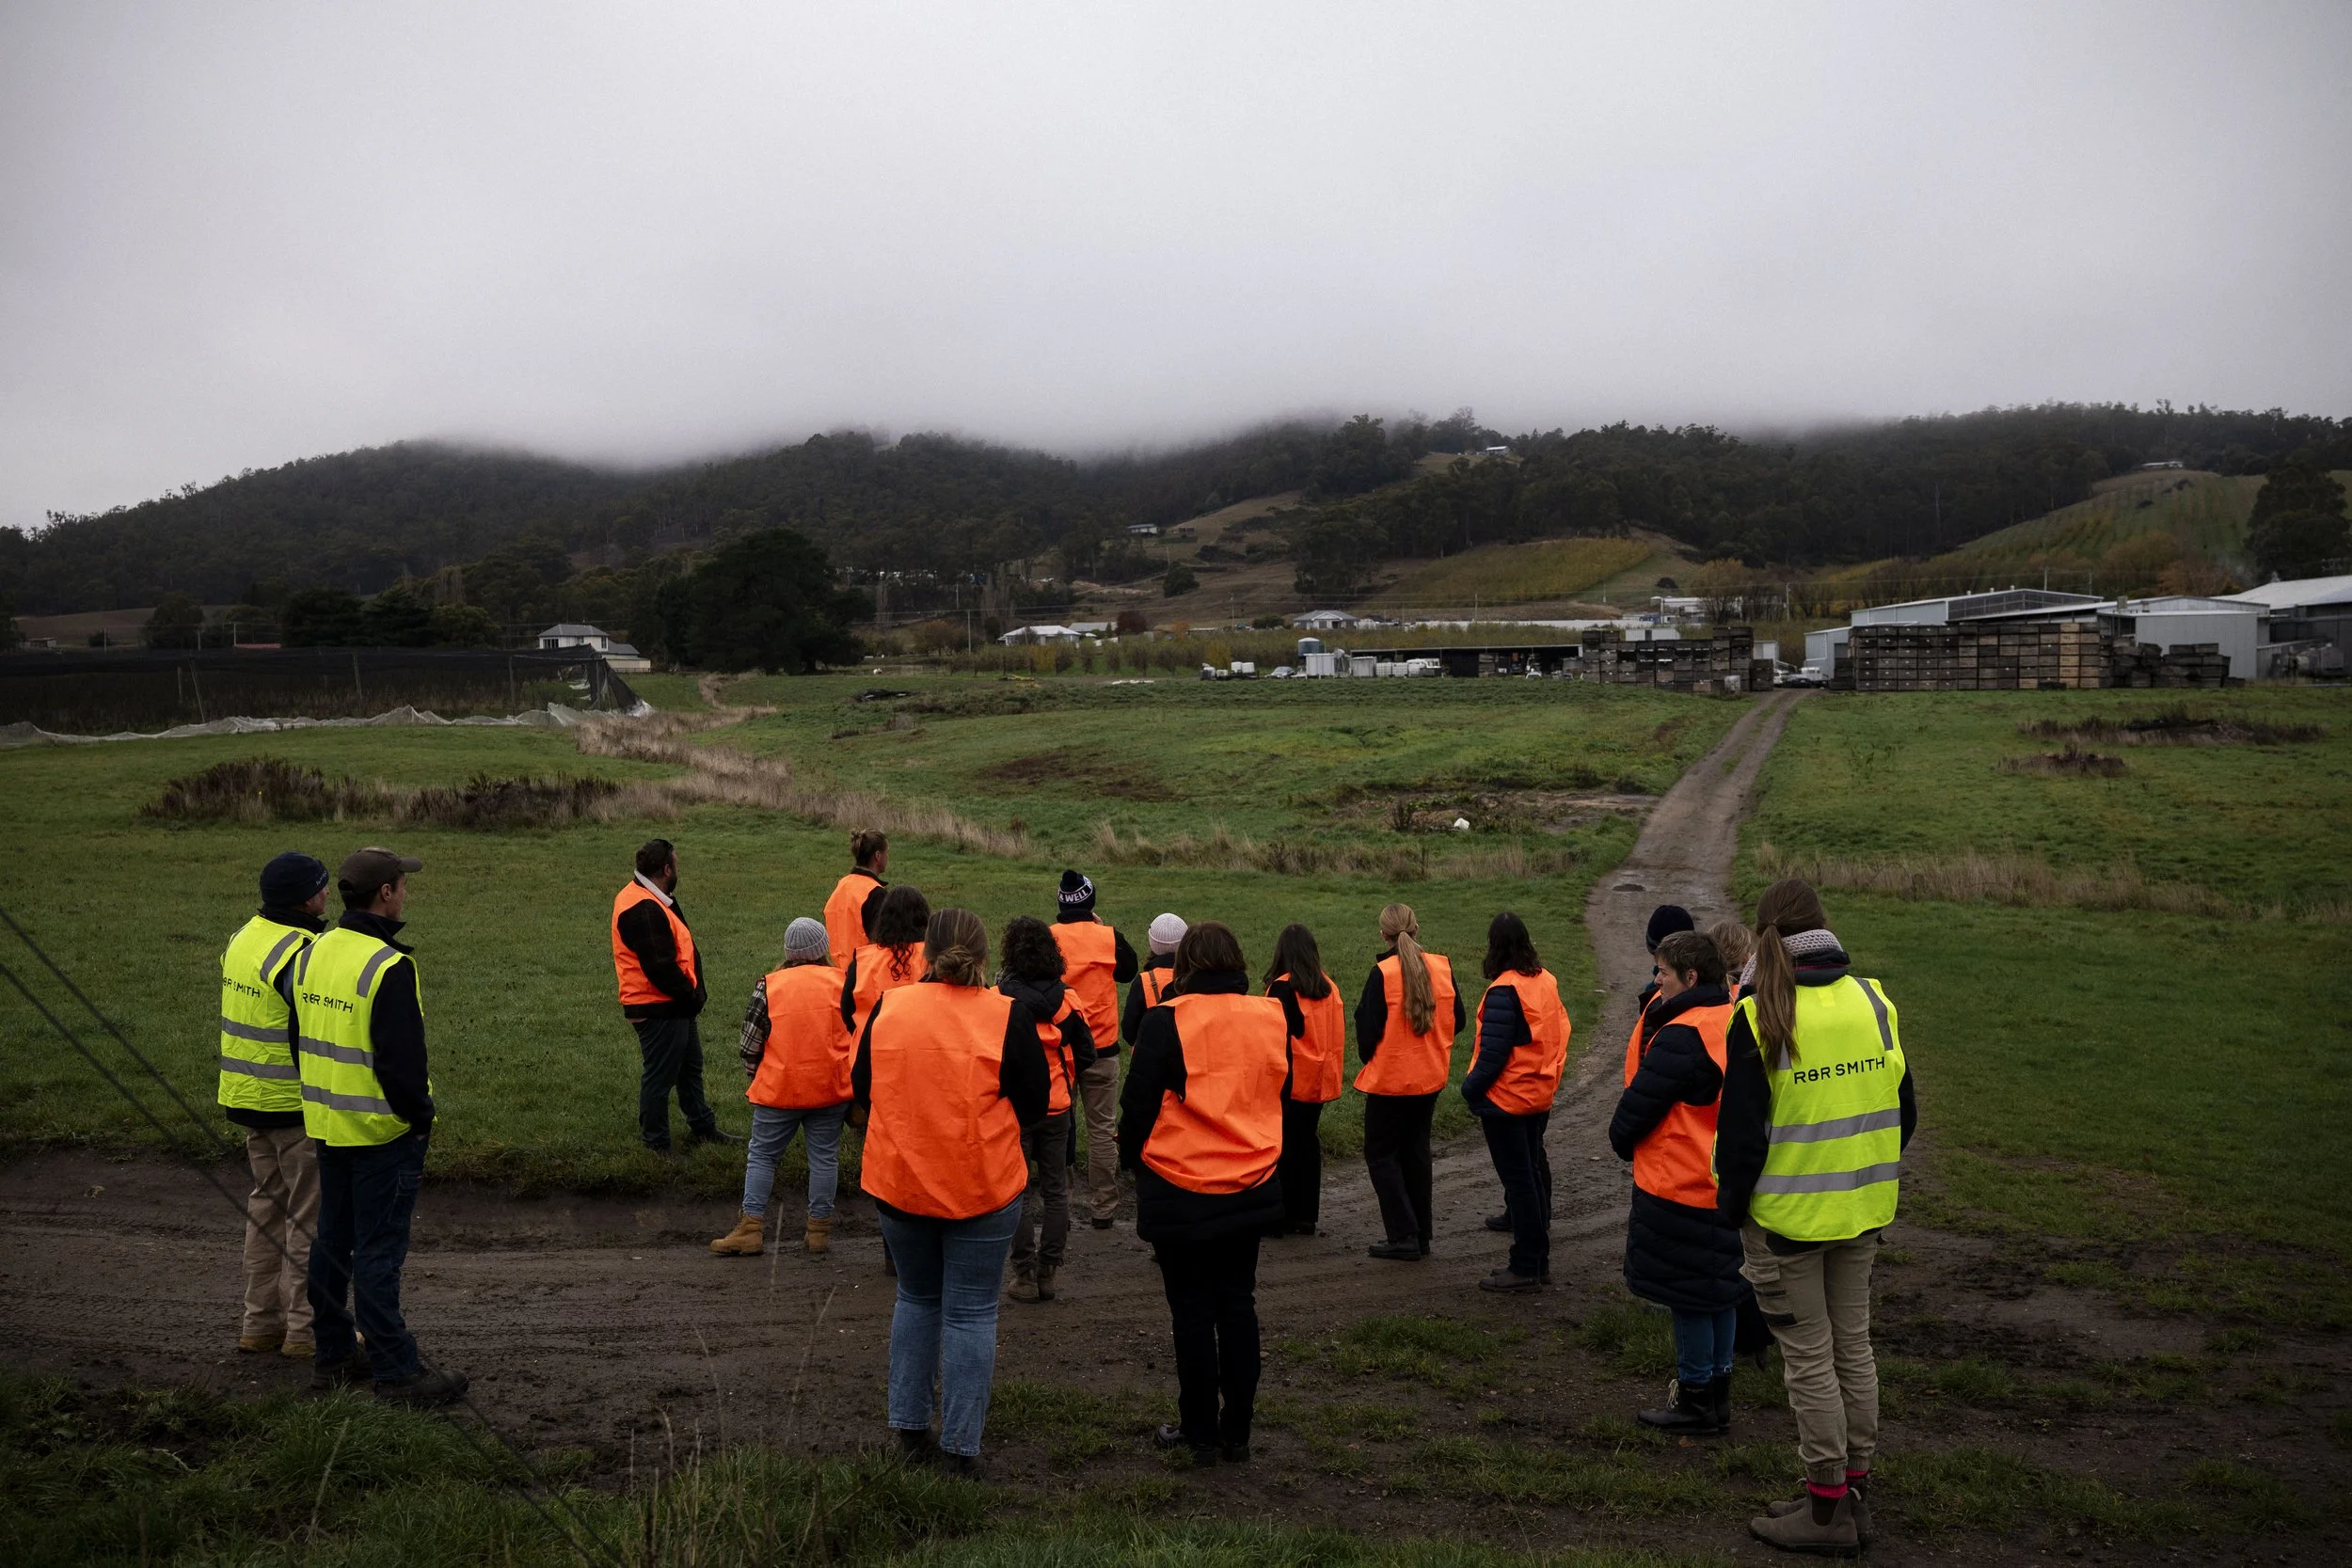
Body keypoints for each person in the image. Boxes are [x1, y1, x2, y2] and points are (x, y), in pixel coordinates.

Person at [1715, 880, 1917, 1555]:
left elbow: (1740, 1141)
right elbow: (1903, 1111)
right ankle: (1849, 1492)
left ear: (1765, 934)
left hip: (1787, 1223)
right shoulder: (1873, 1000)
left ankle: (1825, 1510)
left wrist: (1729, 1209)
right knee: (1852, 1347)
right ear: (1823, 929)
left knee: (1808, 1360)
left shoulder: (1757, 1016)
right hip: (1863, 1211)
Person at [853, 907, 1049, 1475]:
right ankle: (961, 1449)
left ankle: (910, 1434)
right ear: (986, 956)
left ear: (924, 953)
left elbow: (862, 1088)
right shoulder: (1006, 1016)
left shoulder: (890, 1007)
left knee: (917, 1299)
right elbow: (1035, 1105)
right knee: (970, 1313)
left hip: (901, 1183)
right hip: (981, 1185)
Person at [297, 847, 467, 1404]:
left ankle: (333, 1354)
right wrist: (420, 1120)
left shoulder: (314, 950)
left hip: (327, 1123)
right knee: (378, 1252)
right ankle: (396, 1370)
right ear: (386, 893)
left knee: (332, 1242)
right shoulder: (388, 966)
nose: (406, 892)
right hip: (380, 1134)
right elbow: (402, 1065)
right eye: (402, 884)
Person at [1118, 921, 1289, 1465]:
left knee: (1191, 1312)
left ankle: (1200, 1431)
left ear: (1185, 966)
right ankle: (1236, 1429)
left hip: (1180, 1181)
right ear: (1237, 962)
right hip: (1251, 1176)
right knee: (1238, 1304)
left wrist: (1132, 1163)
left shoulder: (1166, 1020)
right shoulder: (1269, 1016)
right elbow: (1273, 1088)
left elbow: (1138, 1105)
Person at [1610, 929, 1745, 1434]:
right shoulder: (1734, 1019)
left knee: (1690, 1298)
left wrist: (1623, 1142)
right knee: (1722, 1292)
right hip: (1724, 1181)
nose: (1656, 981)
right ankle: (1718, 1394)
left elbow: (1635, 1112)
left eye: (1662, 972)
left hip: (1679, 1185)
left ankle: (1694, 1399)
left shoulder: (1681, 1034)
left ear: (1690, 978)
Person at [218, 850, 330, 1360]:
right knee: (307, 1219)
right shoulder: (302, 951)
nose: (328, 894)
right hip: (294, 1105)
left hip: (246, 1098)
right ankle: (305, 1333)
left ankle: (259, 1324)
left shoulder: (244, 936)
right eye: (322, 887)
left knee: (265, 1209)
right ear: (307, 898)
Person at [713, 917, 855, 1259]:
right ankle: (818, 1232)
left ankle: (750, 1229)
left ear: (788, 952)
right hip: (830, 1089)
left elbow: (749, 1042)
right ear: (822, 950)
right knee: (824, 1159)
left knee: (762, 1155)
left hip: (780, 1090)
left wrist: (755, 1070)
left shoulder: (770, 985)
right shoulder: (843, 982)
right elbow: (857, 1031)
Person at [1460, 912, 1570, 1292]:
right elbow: (1562, 1031)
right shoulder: (1545, 980)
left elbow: (1492, 1055)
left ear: (1495, 945)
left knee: (1520, 1183)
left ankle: (1526, 1264)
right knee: (1532, 1177)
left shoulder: (1504, 990)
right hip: (1538, 1093)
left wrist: (1470, 1090)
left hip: (1506, 1100)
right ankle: (1536, 1261)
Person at [1353, 903, 1463, 1260]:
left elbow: (1367, 1031)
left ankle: (1403, 1234)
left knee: (1381, 1155)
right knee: (1416, 1154)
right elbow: (1457, 1019)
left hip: (1390, 1082)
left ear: (1382, 934)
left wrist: (1373, 1054)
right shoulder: (1441, 967)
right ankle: (1421, 1234)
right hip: (1429, 1079)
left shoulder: (1382, 973)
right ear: (1417, 929)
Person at [996, 915, 1097, 1302]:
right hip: (1057, 1106)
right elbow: (1086, 1052)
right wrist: (1065, 1076)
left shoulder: (999, 997)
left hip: (1015, 1109)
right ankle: (1048, 1273)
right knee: (1056, 1191)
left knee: (1016, 1192)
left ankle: (1023, 1273)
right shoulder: (1067, 999)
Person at [612, 839, 734, 1154]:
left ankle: (702, 1127)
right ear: (666, 869)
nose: (678, 869)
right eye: (676, 864)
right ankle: (656, 1145)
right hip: (659, 1008)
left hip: (672, 1006)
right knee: (660, 1076)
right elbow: (661, 969)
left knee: (690, 1067)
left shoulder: (650, 898)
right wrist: (692, 998)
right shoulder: (643, 908)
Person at [1049, 870, 1139, 1229]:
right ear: (1090, 904)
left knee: (1061, 1127)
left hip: (1060, 1048)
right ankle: (1104, 1207)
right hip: (1102, 1048)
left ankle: (1062, 1205)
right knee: (1102, 1128)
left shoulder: (1050, 937)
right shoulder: (1107, 937)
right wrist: (1103, 930)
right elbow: (1128, 971)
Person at [1263, 923, 1344, 1237]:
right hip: (1320, 1081)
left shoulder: (1282, 987)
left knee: (1282, 1147)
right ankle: (1305, 1215)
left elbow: (1272, 1035)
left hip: (1288, 1080)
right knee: (1307, 1144)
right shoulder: (1329, 987)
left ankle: (1279, 1216)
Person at [843, 884, 932, 1035]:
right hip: (922, 1047)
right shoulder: (934, 957)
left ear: (883, 919)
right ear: (923, 919)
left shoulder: (862, 961)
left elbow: (847, 1010)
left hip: (873, 1050)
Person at [824, 830, 890, 968]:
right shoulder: (876, 894)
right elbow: (882, 941)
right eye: (887, 853)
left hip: (840, 971)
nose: (888, 857)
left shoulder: (842, 886)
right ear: (878, 856)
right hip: (865, 972)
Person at [1120, 912, 1186, 1047]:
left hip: (1149, 1059)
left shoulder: (1143, 981)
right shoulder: (1196, 978)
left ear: (1152, 943)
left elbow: (1129, 1032)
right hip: (1190, 1058)